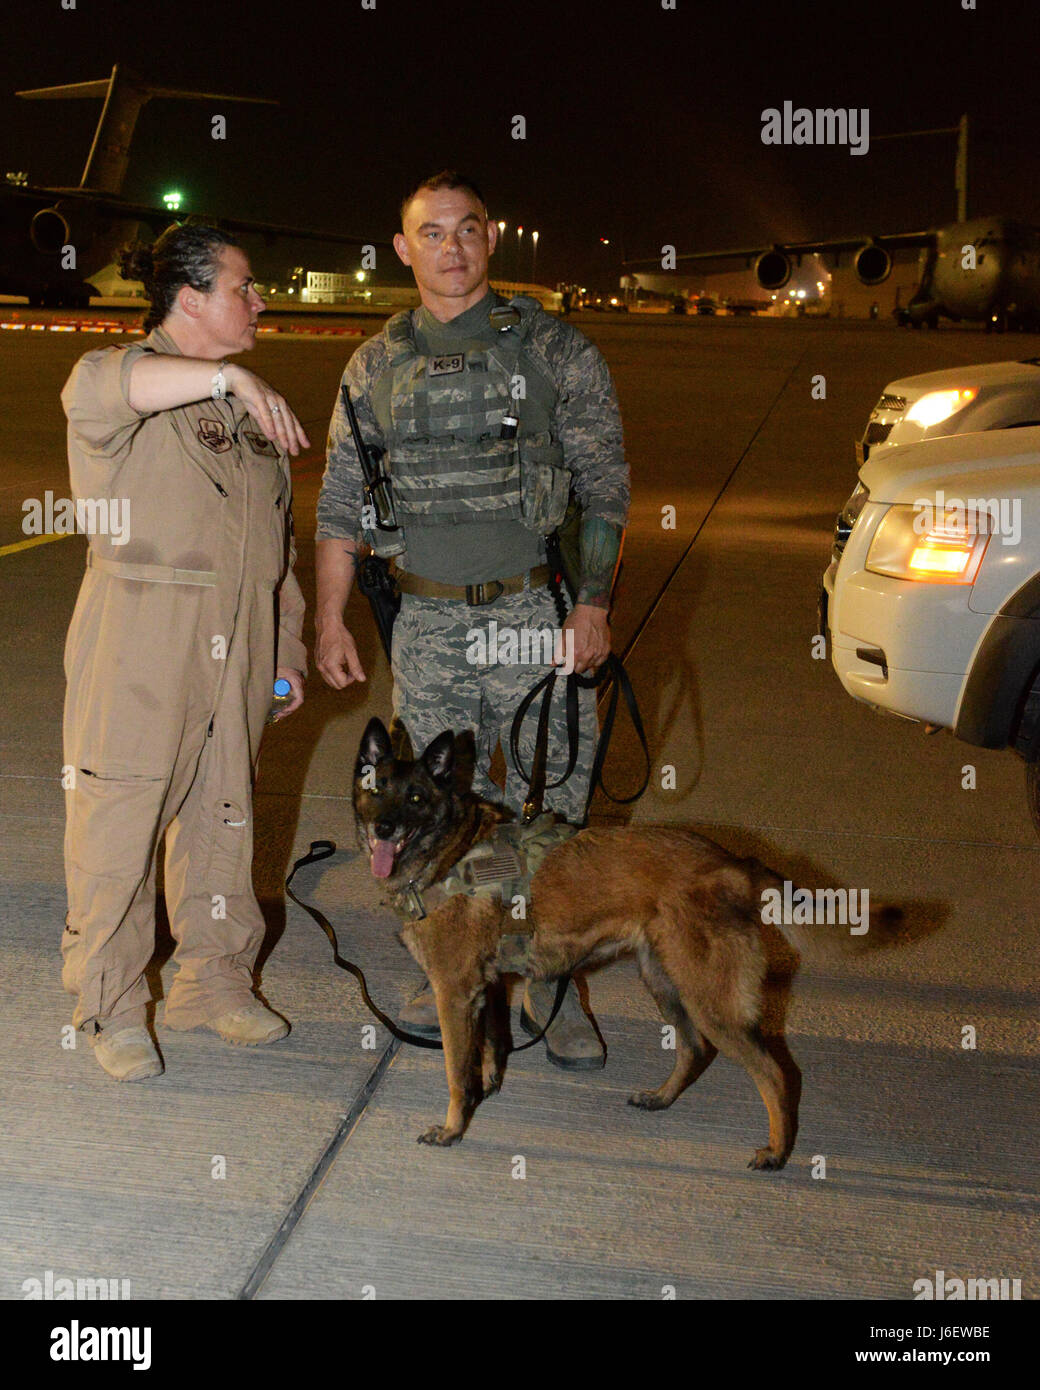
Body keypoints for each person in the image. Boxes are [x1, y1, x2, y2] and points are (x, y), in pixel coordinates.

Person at [315, 171, 629, 1068]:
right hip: (425, 619)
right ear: (403, 247)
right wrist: (332, 620)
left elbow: (604, 481)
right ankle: (447, 965)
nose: (451, 249)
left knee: (552, 809)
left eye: (467, 230)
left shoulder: (555, 348)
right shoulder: (374, 363)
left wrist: (595, 603)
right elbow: (341, 503)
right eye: (431, 233)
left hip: (536, 609)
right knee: (431, 814)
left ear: (491, 238)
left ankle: (549, 985)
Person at [60, 223, 309, 1082]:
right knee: (119, 823)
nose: (260, 301)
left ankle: (213, 982)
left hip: (238, 646)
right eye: (246, 286)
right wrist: (227, 373)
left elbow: (278, 547)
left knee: (223, 818)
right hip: (140, 642)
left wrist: (290, 647)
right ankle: (112, 1006)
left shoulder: (248, 418)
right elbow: (98, 391)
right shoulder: (116, 378)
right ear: (191, 297)